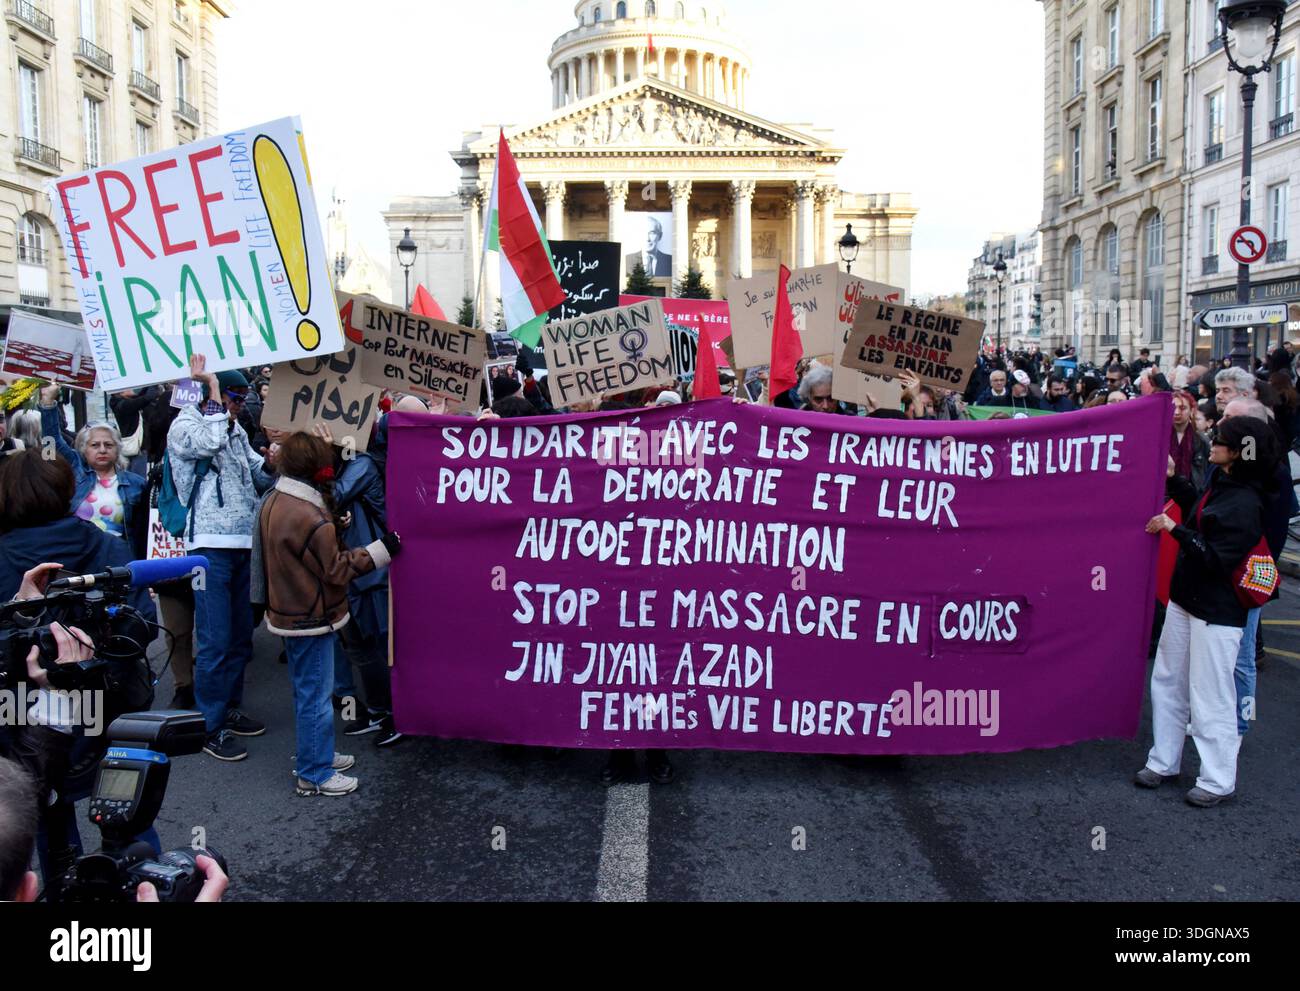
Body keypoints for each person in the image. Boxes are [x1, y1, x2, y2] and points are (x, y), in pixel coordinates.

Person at [1140, 416, 1279, 807]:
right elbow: (1199, 509)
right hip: (1188, 601)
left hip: (1217, 611)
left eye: (1220, 439)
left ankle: (1217, 780)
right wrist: (1174, 480)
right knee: (1168, 680)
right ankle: (1163, 760)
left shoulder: (1245, 502)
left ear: (1238, 453)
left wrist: (1173, 527)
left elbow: (1215, 557)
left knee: (1211, 693)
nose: (1211, 441)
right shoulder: (1224, 483)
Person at [256, 431, 400, 797]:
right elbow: (336, 569)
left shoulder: (276, 500)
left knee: (308, 690)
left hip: (289, 611)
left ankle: (315, 754)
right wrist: (380, 551)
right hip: (311, 615)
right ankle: (314, 772)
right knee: (315, 697)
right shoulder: (310, 515)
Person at [168, 354, 275, 762]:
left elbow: (257, 474)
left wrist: (273, 461)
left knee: (238, 635)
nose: (238, 403)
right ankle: (208, 725)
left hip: (241, 542)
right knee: (213, 639)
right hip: (207, 546)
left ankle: (229, 707)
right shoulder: (186, 426)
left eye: (242, 395)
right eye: (233, 395)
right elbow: (207, 443)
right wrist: (211, 390)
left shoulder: (233, 429)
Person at [39, 387, 147, 559]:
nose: (102, 450)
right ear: (84, 449)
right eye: (95, 445)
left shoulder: (137, 484)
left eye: (108, 445)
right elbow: (50, 446)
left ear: (118, 449)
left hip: (118, 557)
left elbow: (142, 534)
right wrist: (47, 404)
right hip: (77, 555)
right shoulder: (75, 471)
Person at [1170, 391, 1210, 491]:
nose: (1177, 412)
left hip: (1192, 491)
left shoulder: (1201, 440)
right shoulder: (1160, 438)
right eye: (1173, 407)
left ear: (1192, 410)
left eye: (1182, 408)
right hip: (1164, 493)